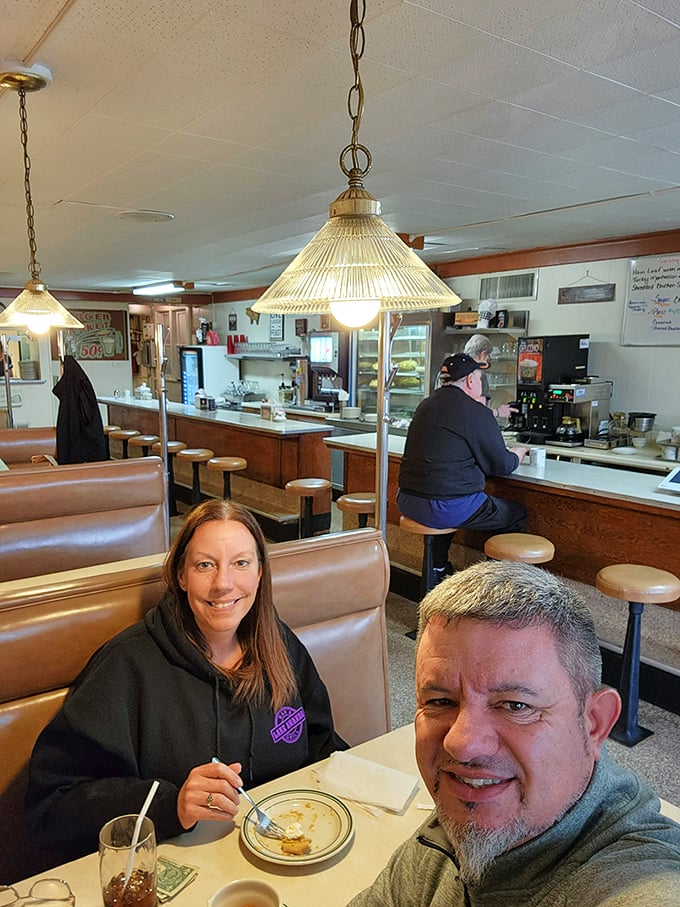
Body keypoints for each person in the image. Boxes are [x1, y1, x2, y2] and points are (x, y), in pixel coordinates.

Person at [26, 499, 347, 862]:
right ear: (181, 576)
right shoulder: (125, 666)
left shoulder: (279, 644)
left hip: (293, 857)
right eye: (205, 565)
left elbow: (322, 745)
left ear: (260, 572)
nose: (223, 584)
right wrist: (171, 805)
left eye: (241, 563)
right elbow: (51, 807)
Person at [348, 561, 680, 906]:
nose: (462, 744)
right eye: (441, 700)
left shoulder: (637, 885)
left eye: (515, 706)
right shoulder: (468, 813)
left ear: (594, 722)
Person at [397, 353, 527, 579]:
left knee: (446, 496)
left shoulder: (425, 405)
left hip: (407, 500)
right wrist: (517, 455)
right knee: (515, 514)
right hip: (444, 507)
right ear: (469, 381)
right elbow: (502, 465)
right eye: (479, 377)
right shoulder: (476, 412)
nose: (479, 382)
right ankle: (489, 584)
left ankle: (438, 567)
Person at [463, 333, 515, 419]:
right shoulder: (479, 377)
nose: (487, 362)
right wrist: (499, 412)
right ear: (482, 354)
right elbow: (480, 412)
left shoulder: (445, 373)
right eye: (488, 359)